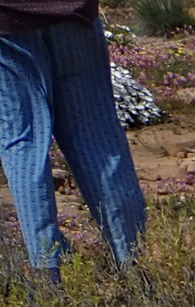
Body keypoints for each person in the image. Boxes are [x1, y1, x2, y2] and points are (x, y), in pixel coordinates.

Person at [0, 0, 144, 273]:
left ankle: (47, 275)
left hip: (8, 18)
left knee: (23, 141)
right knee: (99, 139)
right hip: (72, 13)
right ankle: (134, 262)